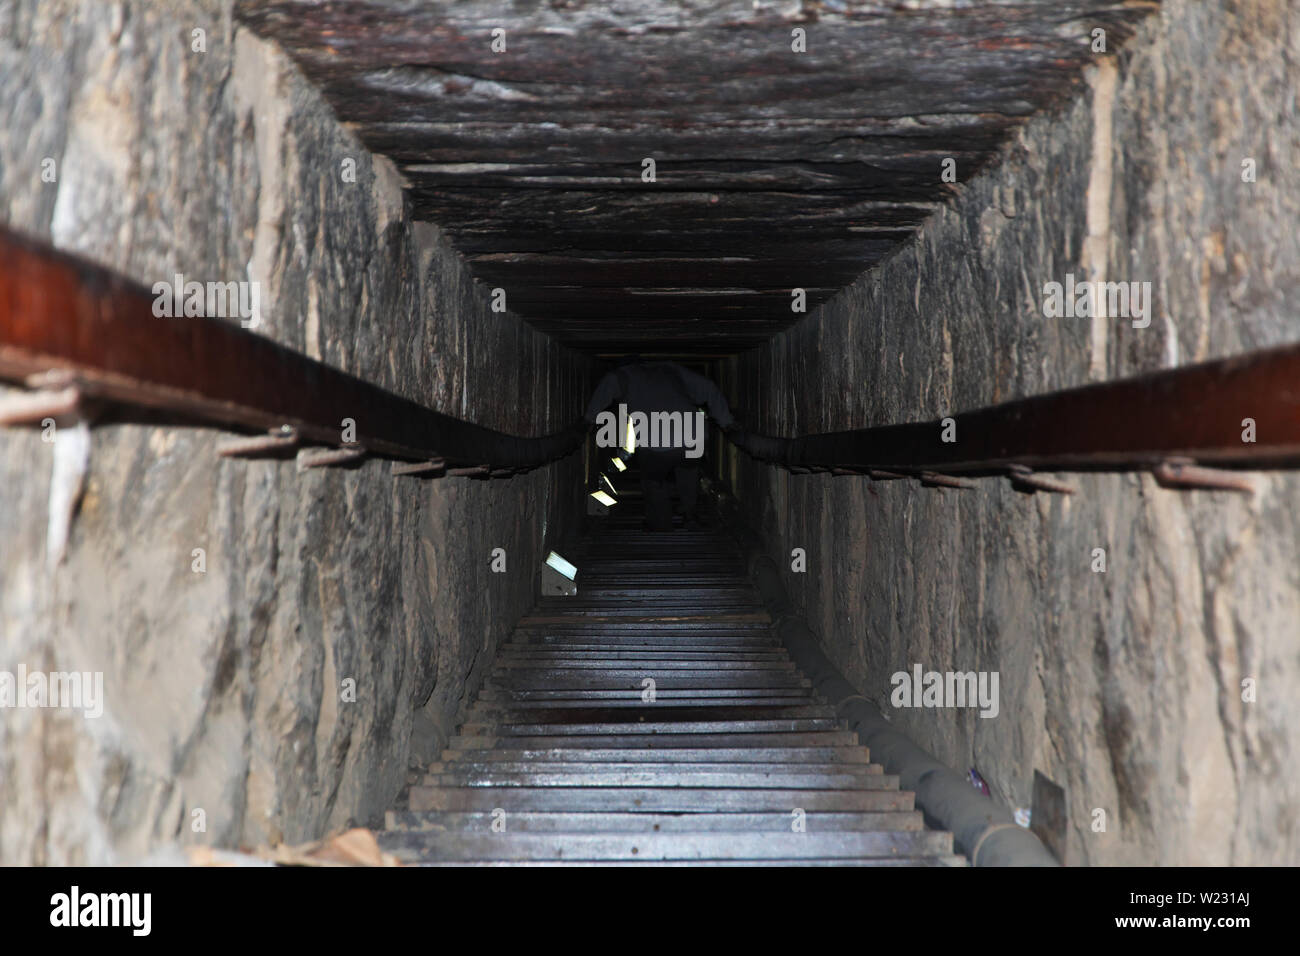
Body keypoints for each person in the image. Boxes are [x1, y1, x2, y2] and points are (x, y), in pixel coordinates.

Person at [582, 357, 736, 532]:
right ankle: (690, 515)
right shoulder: (673, 370)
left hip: (655, 440)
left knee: (653, 480)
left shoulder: (623, 375)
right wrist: (727, 422)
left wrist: (588, 419)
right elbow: (708, 388)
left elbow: (606, 387)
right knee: (688, 472)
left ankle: (661, 523)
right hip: (692, 436)